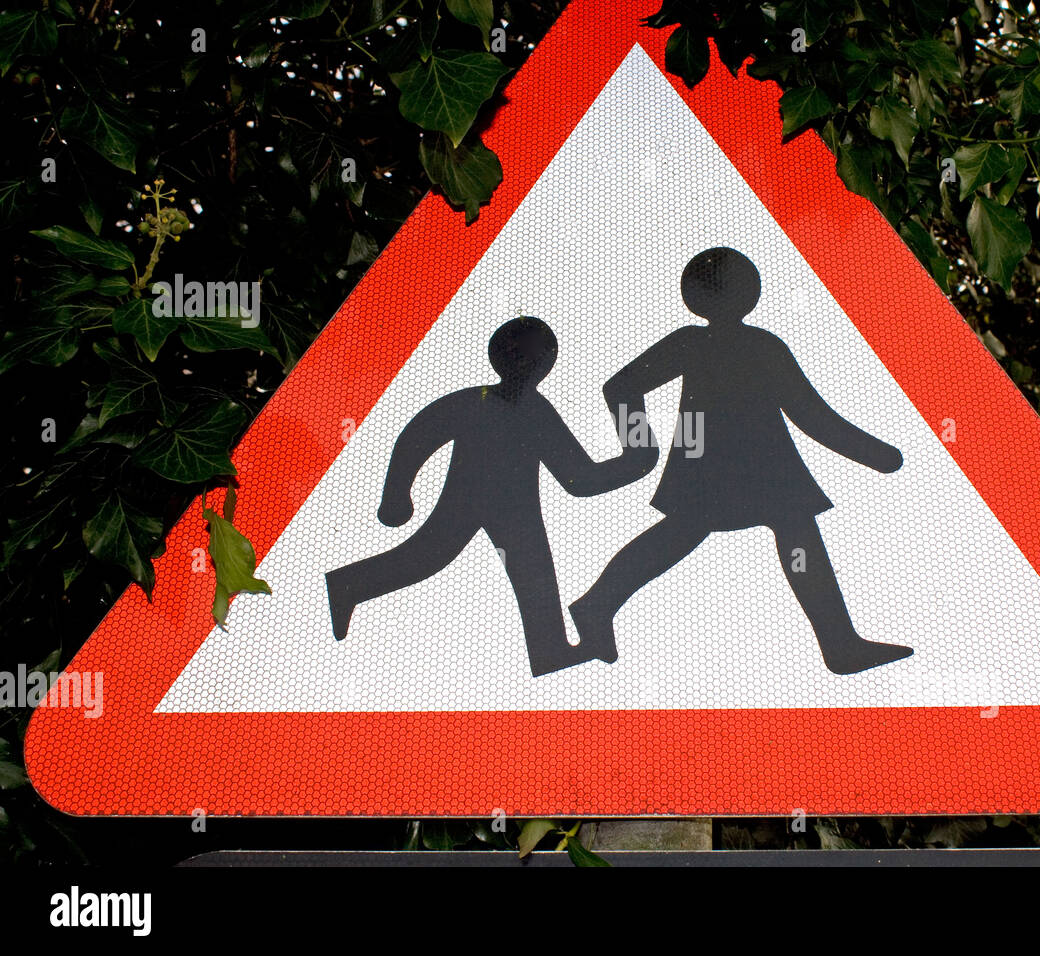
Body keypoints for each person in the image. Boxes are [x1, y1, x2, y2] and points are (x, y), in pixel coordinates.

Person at [569, 248, 913, 675]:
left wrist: (873, 453)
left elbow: (810, 413)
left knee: (747, 528)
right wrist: (640, 448)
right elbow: (621, 387)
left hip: (746, 460)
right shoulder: (724, 343)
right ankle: (596, 605)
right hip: (727, 460)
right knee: (711, 530)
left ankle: (840, 644)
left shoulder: (745, 344)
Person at [325, 316, 657, 677]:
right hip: (482, 504)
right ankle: (347, 585)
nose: (530, 365)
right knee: (431, 558)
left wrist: (635, 462)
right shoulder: (495, 403)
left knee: (523, 572)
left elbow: (578, 478)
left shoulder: (516, 407)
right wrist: (395, 496)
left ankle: (550, 648)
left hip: (507, 509)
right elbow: (419, 436)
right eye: (528, 356)